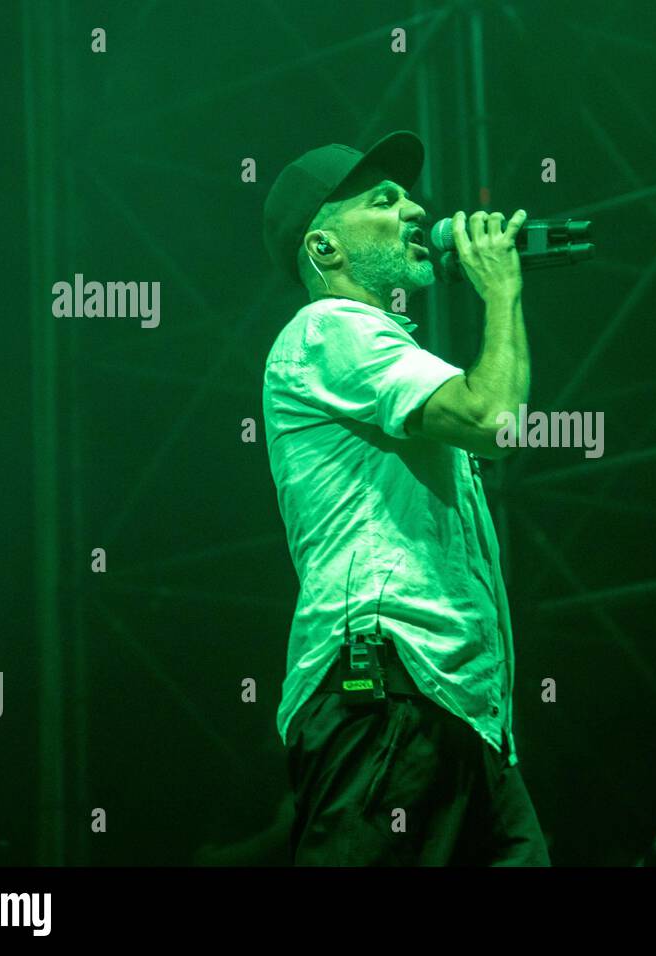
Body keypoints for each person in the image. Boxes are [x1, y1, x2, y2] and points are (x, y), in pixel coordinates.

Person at [261, 130, 548, 865]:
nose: (417, 209)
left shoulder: (382, 347)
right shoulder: (330, 329)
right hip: (387, 687)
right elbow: (495, 419)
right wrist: (504, 291)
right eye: (384, 200)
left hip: (457, 705)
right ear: (324, 248)